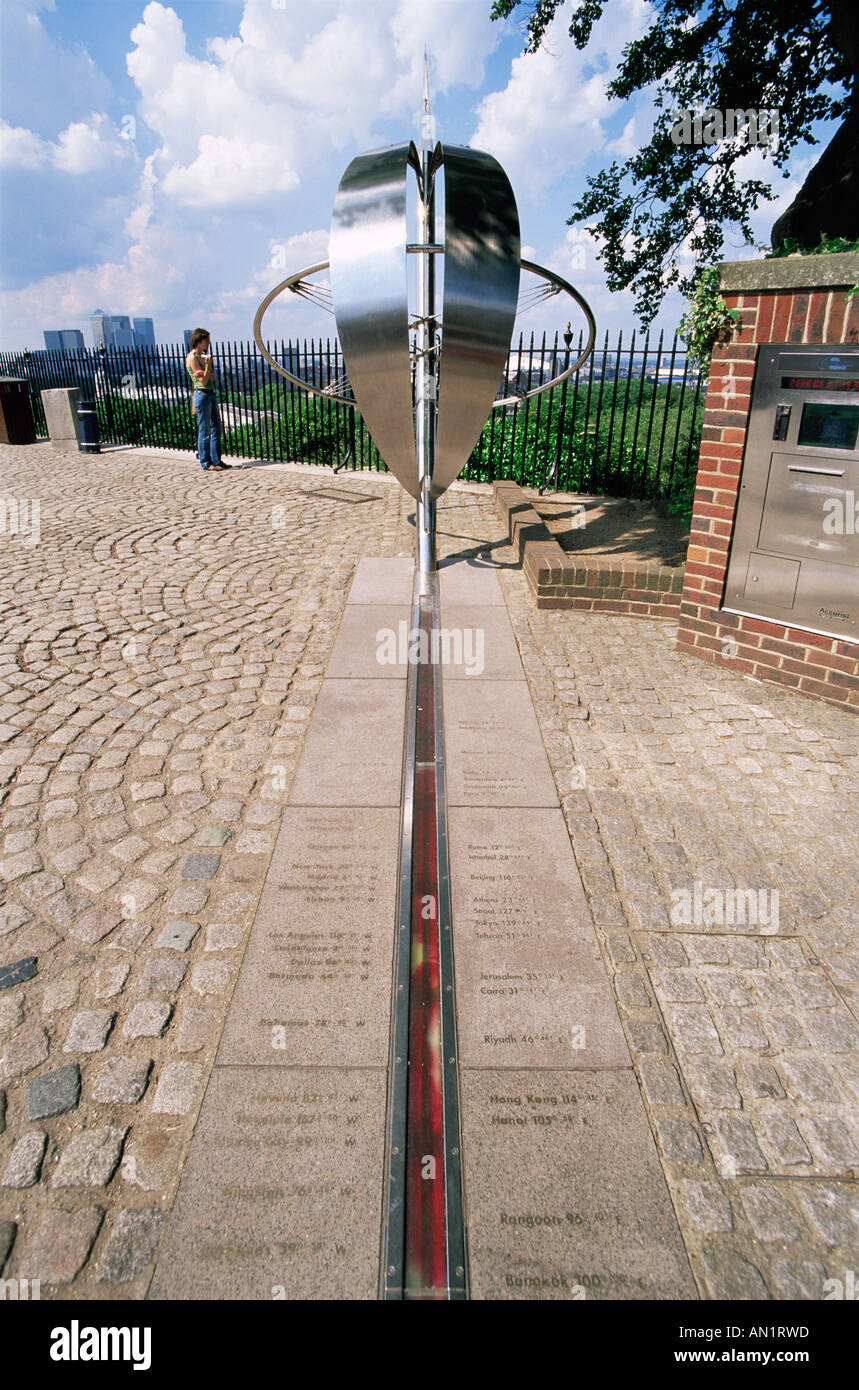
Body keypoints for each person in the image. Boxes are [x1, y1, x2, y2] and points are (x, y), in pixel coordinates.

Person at [185, 328, 227, 470]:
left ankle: (216, 460)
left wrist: (207, 370)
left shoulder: (202, 356)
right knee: (205, 429)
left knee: (217, 426)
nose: (208, 343)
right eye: (206, 340)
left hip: (210, 393)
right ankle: (205, 461)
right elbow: (203, 380)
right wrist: (208, 366)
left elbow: (210, 376)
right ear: (199, 341)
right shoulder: (192, 358)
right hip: (202, 394)